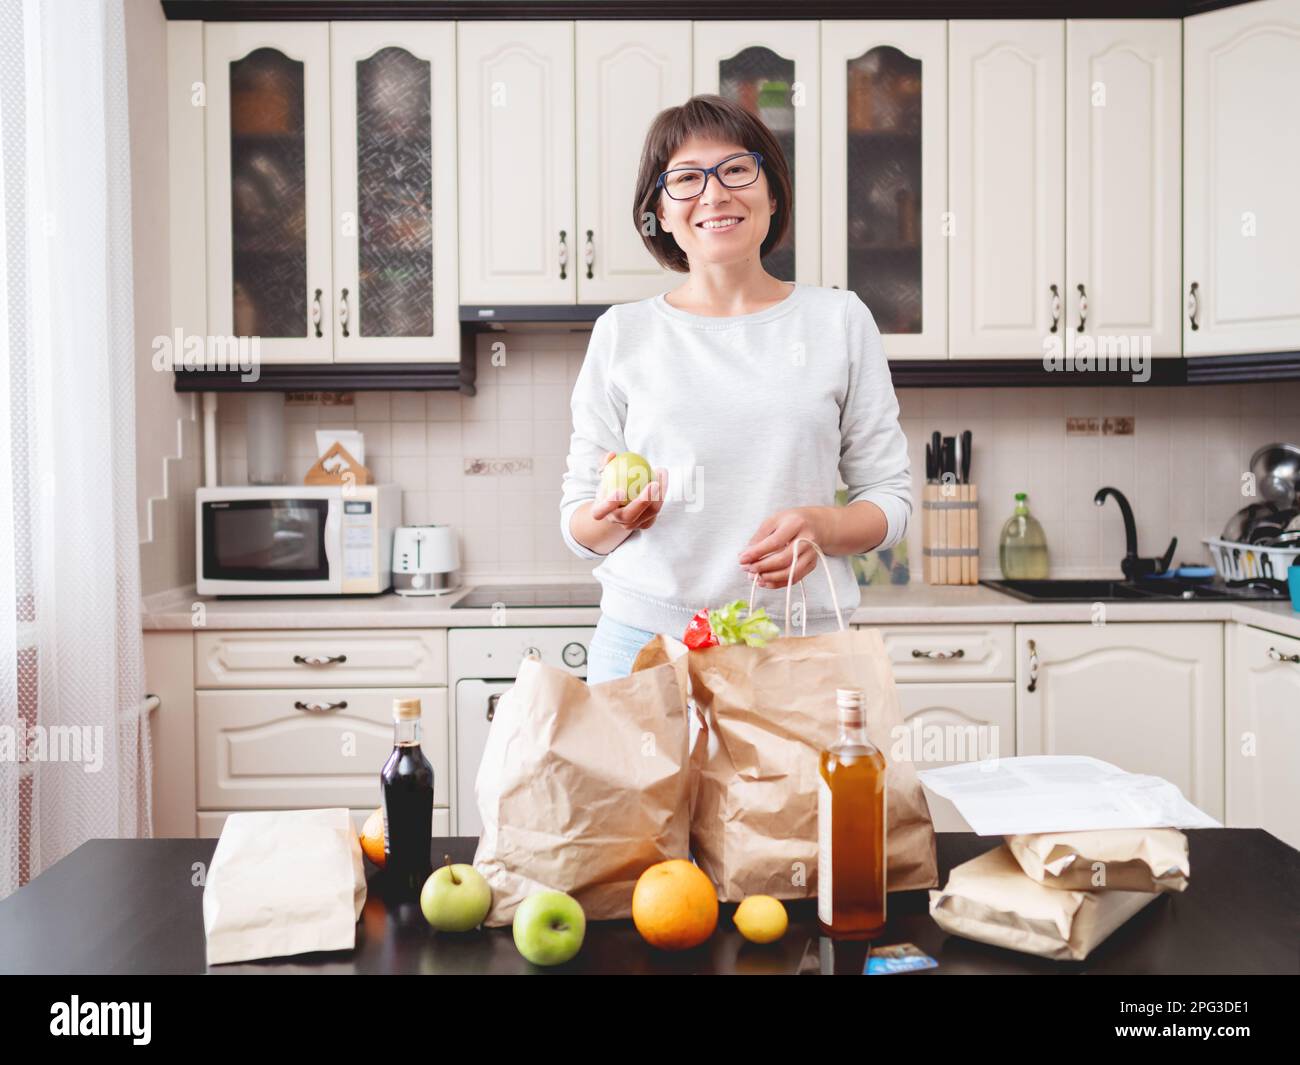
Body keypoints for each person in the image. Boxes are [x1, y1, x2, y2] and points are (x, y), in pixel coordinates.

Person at [561, 94, 911, 685]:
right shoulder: (622, 334)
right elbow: (579, 527)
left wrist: (822, 527)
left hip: (800, 646)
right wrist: (617, 516)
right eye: (686, 179)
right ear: (660, 214)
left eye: (736, 170)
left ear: (772, 195)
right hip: (645, 649)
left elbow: (890, 501)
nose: (715, 194)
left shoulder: (840, 322)